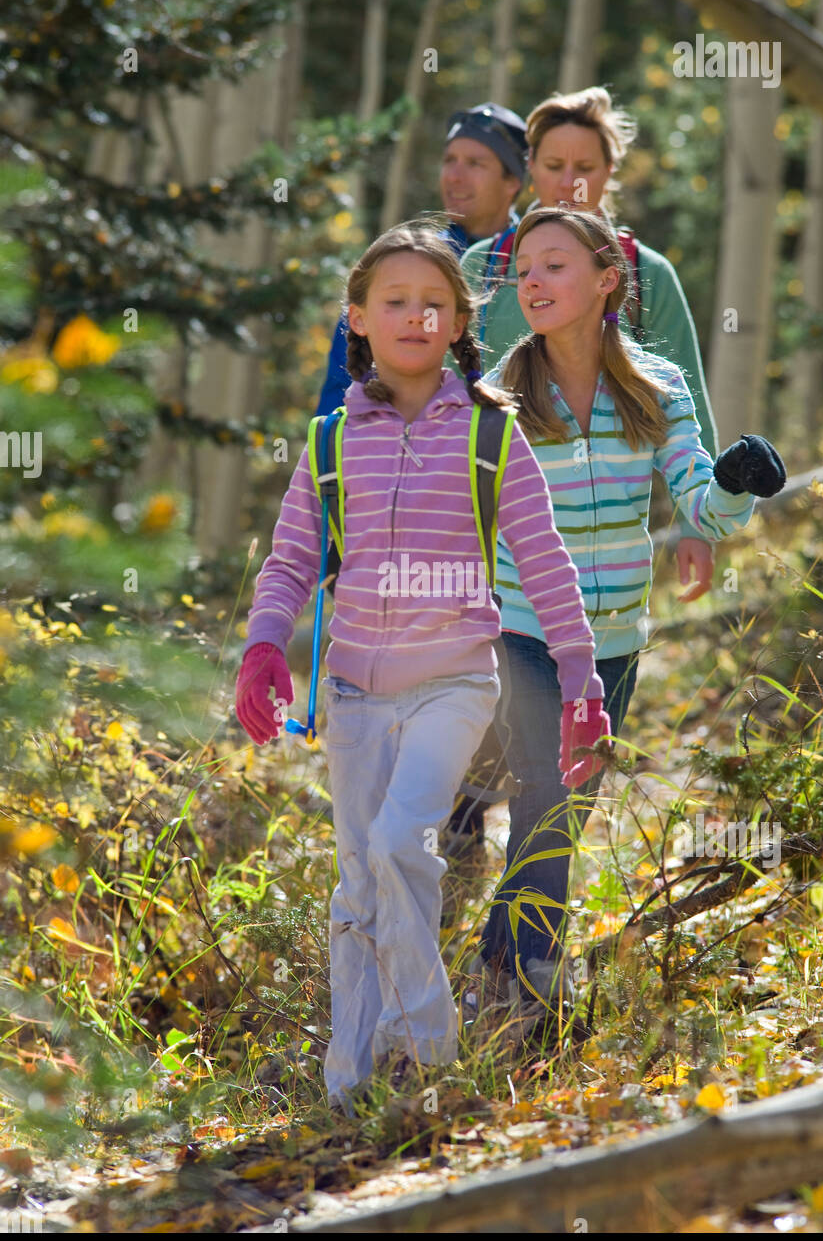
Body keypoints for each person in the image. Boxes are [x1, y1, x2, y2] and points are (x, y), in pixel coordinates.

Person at [235, 221, 610, 1111]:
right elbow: (291, 558)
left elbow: (546, 559)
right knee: (359, 879)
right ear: (356, 318)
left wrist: (580, 678)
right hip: (355, 692)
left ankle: (429, 1054)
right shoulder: (330, 441)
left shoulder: (492, 435)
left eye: (433, 303)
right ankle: (351, 1081)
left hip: (454, 682)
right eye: (394, 302)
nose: (414, 316)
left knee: (403, 843)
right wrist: (261, 646)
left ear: (457, 322)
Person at [468, 206, 785, 1036]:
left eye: (554, 266)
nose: (532, 282)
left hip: (615, 645)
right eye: (524, 270)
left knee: (561, 813)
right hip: (526, 630)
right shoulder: (499, 395)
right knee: (546, 795)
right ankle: (532, 1001)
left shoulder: (657, 388)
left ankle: (493, 979)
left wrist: (734, 481)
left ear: (607, 280)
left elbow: (703, 512)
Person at [462, 86, 718, 605]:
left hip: (610, 550)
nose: (568, 181)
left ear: (609, 172)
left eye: (586, 166)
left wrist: (698, 526)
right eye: (554, 163)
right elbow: (446, 397)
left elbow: (687, 397)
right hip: (496, 539)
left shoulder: (648, 274)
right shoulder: (481, 268)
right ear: (530, 166)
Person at [315, 102, 527, 419]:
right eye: (449, 161)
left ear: (513, 182)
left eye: (475, 163)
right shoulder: (406, 260)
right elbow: (342, 379)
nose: (455, 176)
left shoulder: (534, 263)